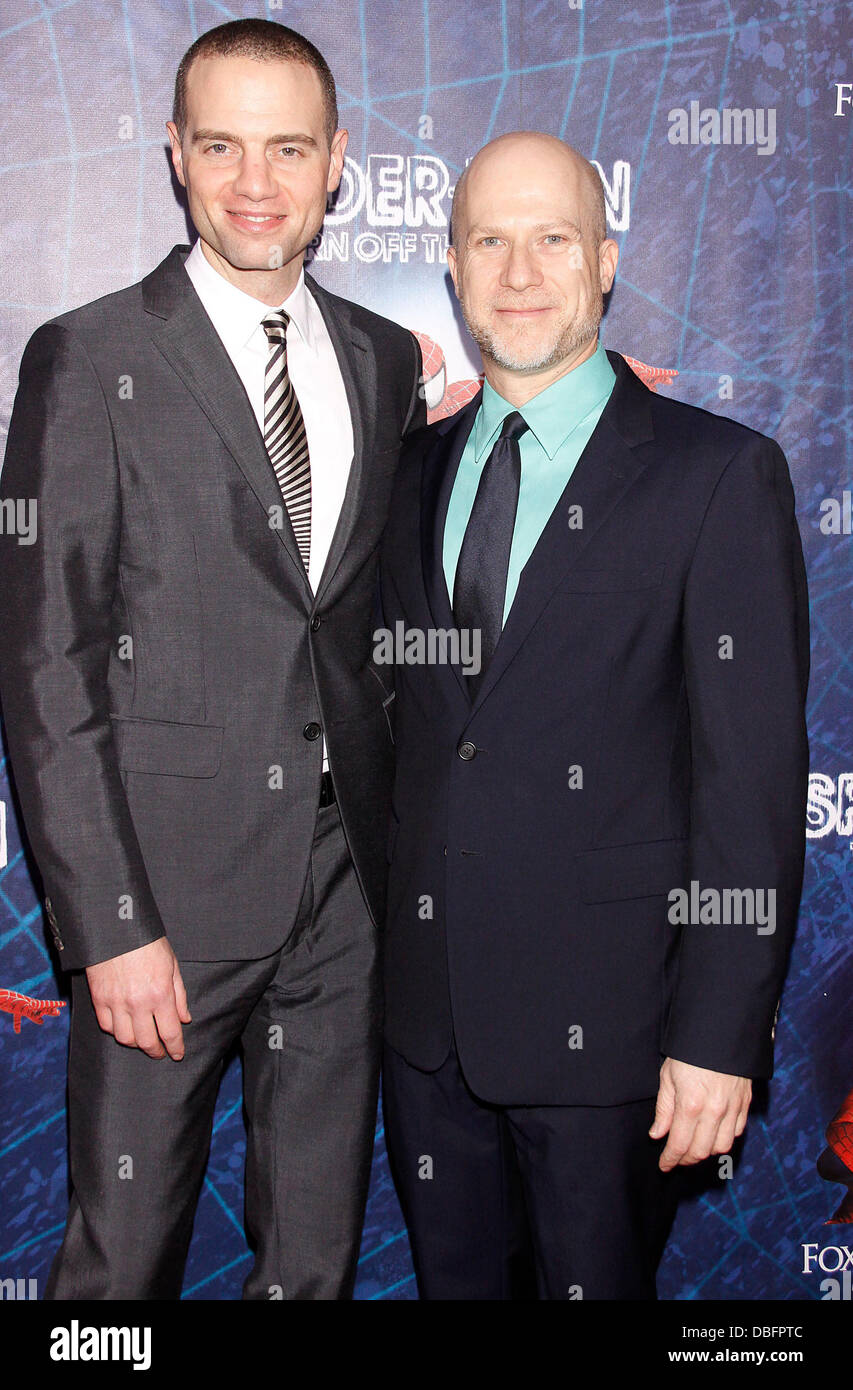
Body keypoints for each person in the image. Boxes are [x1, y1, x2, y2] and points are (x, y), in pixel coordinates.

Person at [0, 18, 424, 1300]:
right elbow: (46, 664)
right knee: (116, 1274)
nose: (256, 182)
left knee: (314, 1269)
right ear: (176, 155)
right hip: (162, 914)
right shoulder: (88, 356)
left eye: (288, 147)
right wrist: (110, 927)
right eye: (224, 145)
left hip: (346, 904)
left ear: (337, 161)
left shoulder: (384, 358)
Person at [378, 130, 810, 1299]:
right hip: (426, 1034)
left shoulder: (716, 476)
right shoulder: (406, 473)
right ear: (453, 271)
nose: (520, 273)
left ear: (606, 260)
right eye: (490, 242)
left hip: (615, 1037)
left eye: (553, 239)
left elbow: (751, 787)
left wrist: (720, 1036)